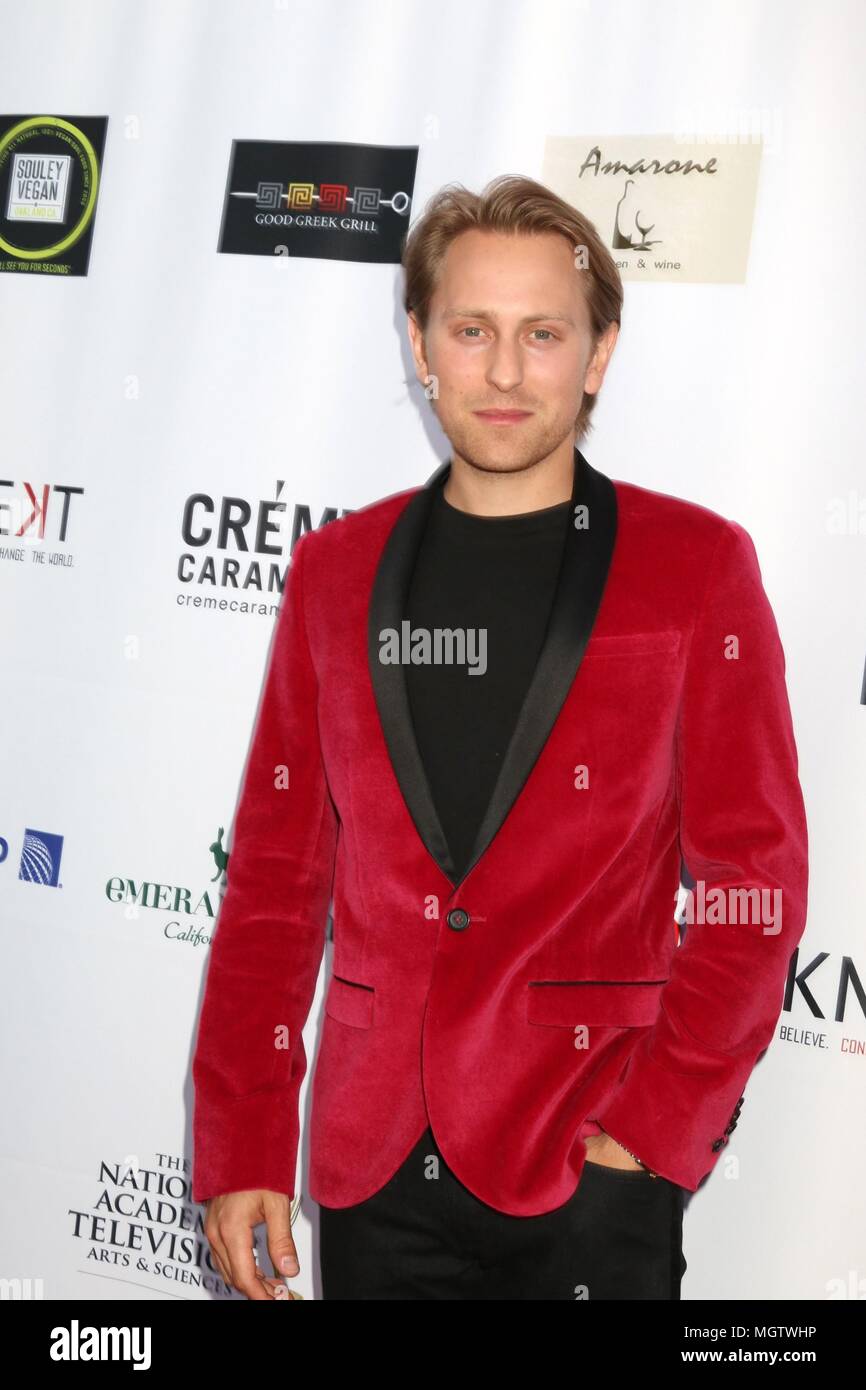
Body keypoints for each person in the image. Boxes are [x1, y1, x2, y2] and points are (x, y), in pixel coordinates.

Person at [191, 174, 809, 1300]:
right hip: (374, 1175)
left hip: (588, 1166)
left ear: (599, 352)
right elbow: (275, 885)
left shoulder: (695, 568)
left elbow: (752, 885)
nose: (508, 372)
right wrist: (243, 1140)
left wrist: (653, 1133)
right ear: (420, 345)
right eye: (471, 330)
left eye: (544, 333)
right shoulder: (334, 576)